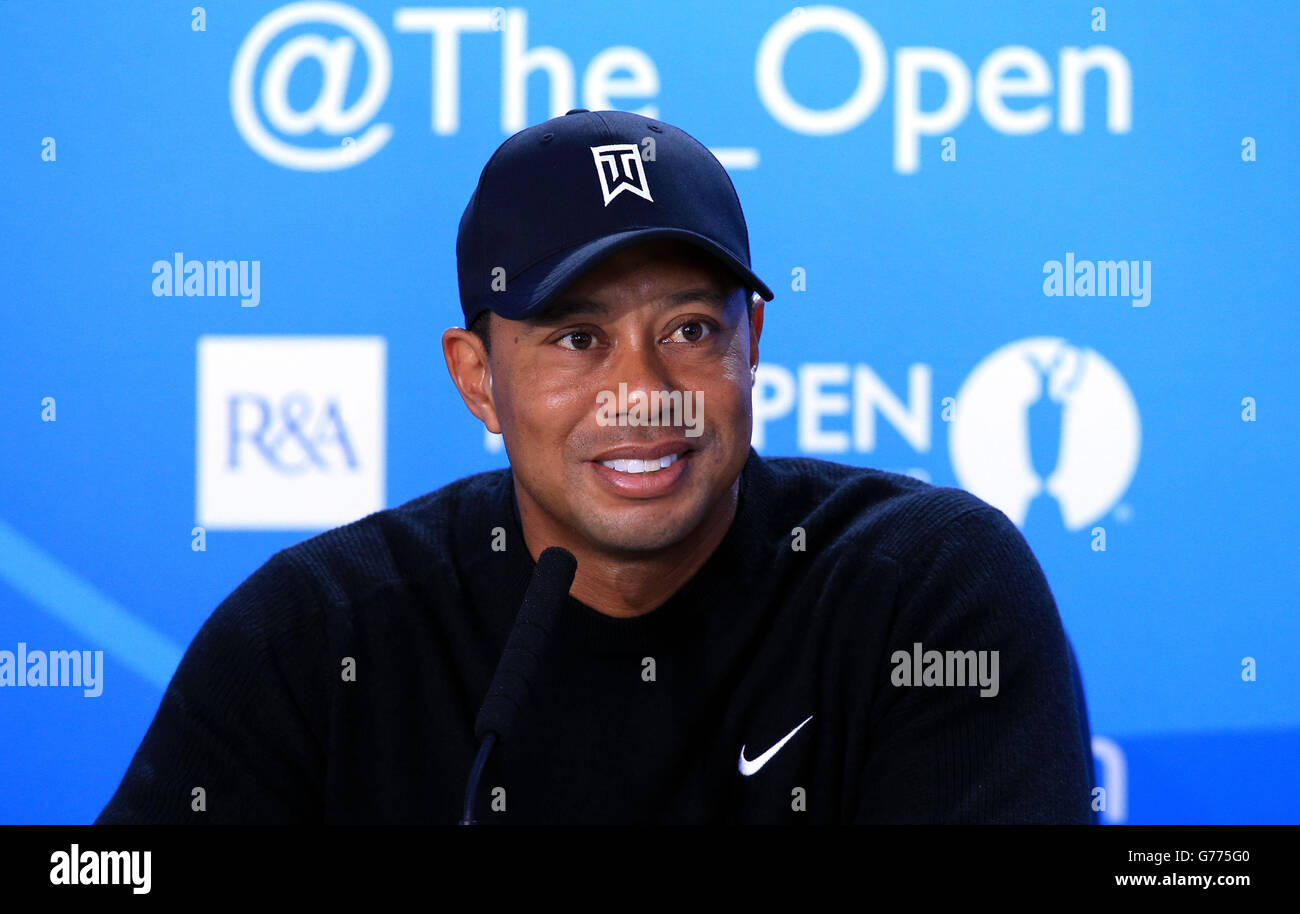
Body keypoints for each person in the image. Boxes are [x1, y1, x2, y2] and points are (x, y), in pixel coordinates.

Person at [96, 109, 1095, 824]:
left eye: (690, 328)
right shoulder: (314, 637)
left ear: (752, 340)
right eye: (576, 338)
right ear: (477, 376)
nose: (643, 389)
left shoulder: (919, 587)